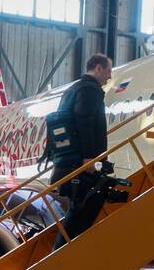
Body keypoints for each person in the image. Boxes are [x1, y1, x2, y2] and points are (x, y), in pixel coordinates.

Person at [47, 53, 112, 241]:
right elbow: (85, 123)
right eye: (108, 70)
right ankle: (60, 259)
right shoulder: (89, 90)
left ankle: (61, 256)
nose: (109, 76)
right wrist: (89, 157)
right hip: (79, 164)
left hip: (67, 162)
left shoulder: (74, 89)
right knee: (80, 214)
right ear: (98, 68)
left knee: (76, 213)